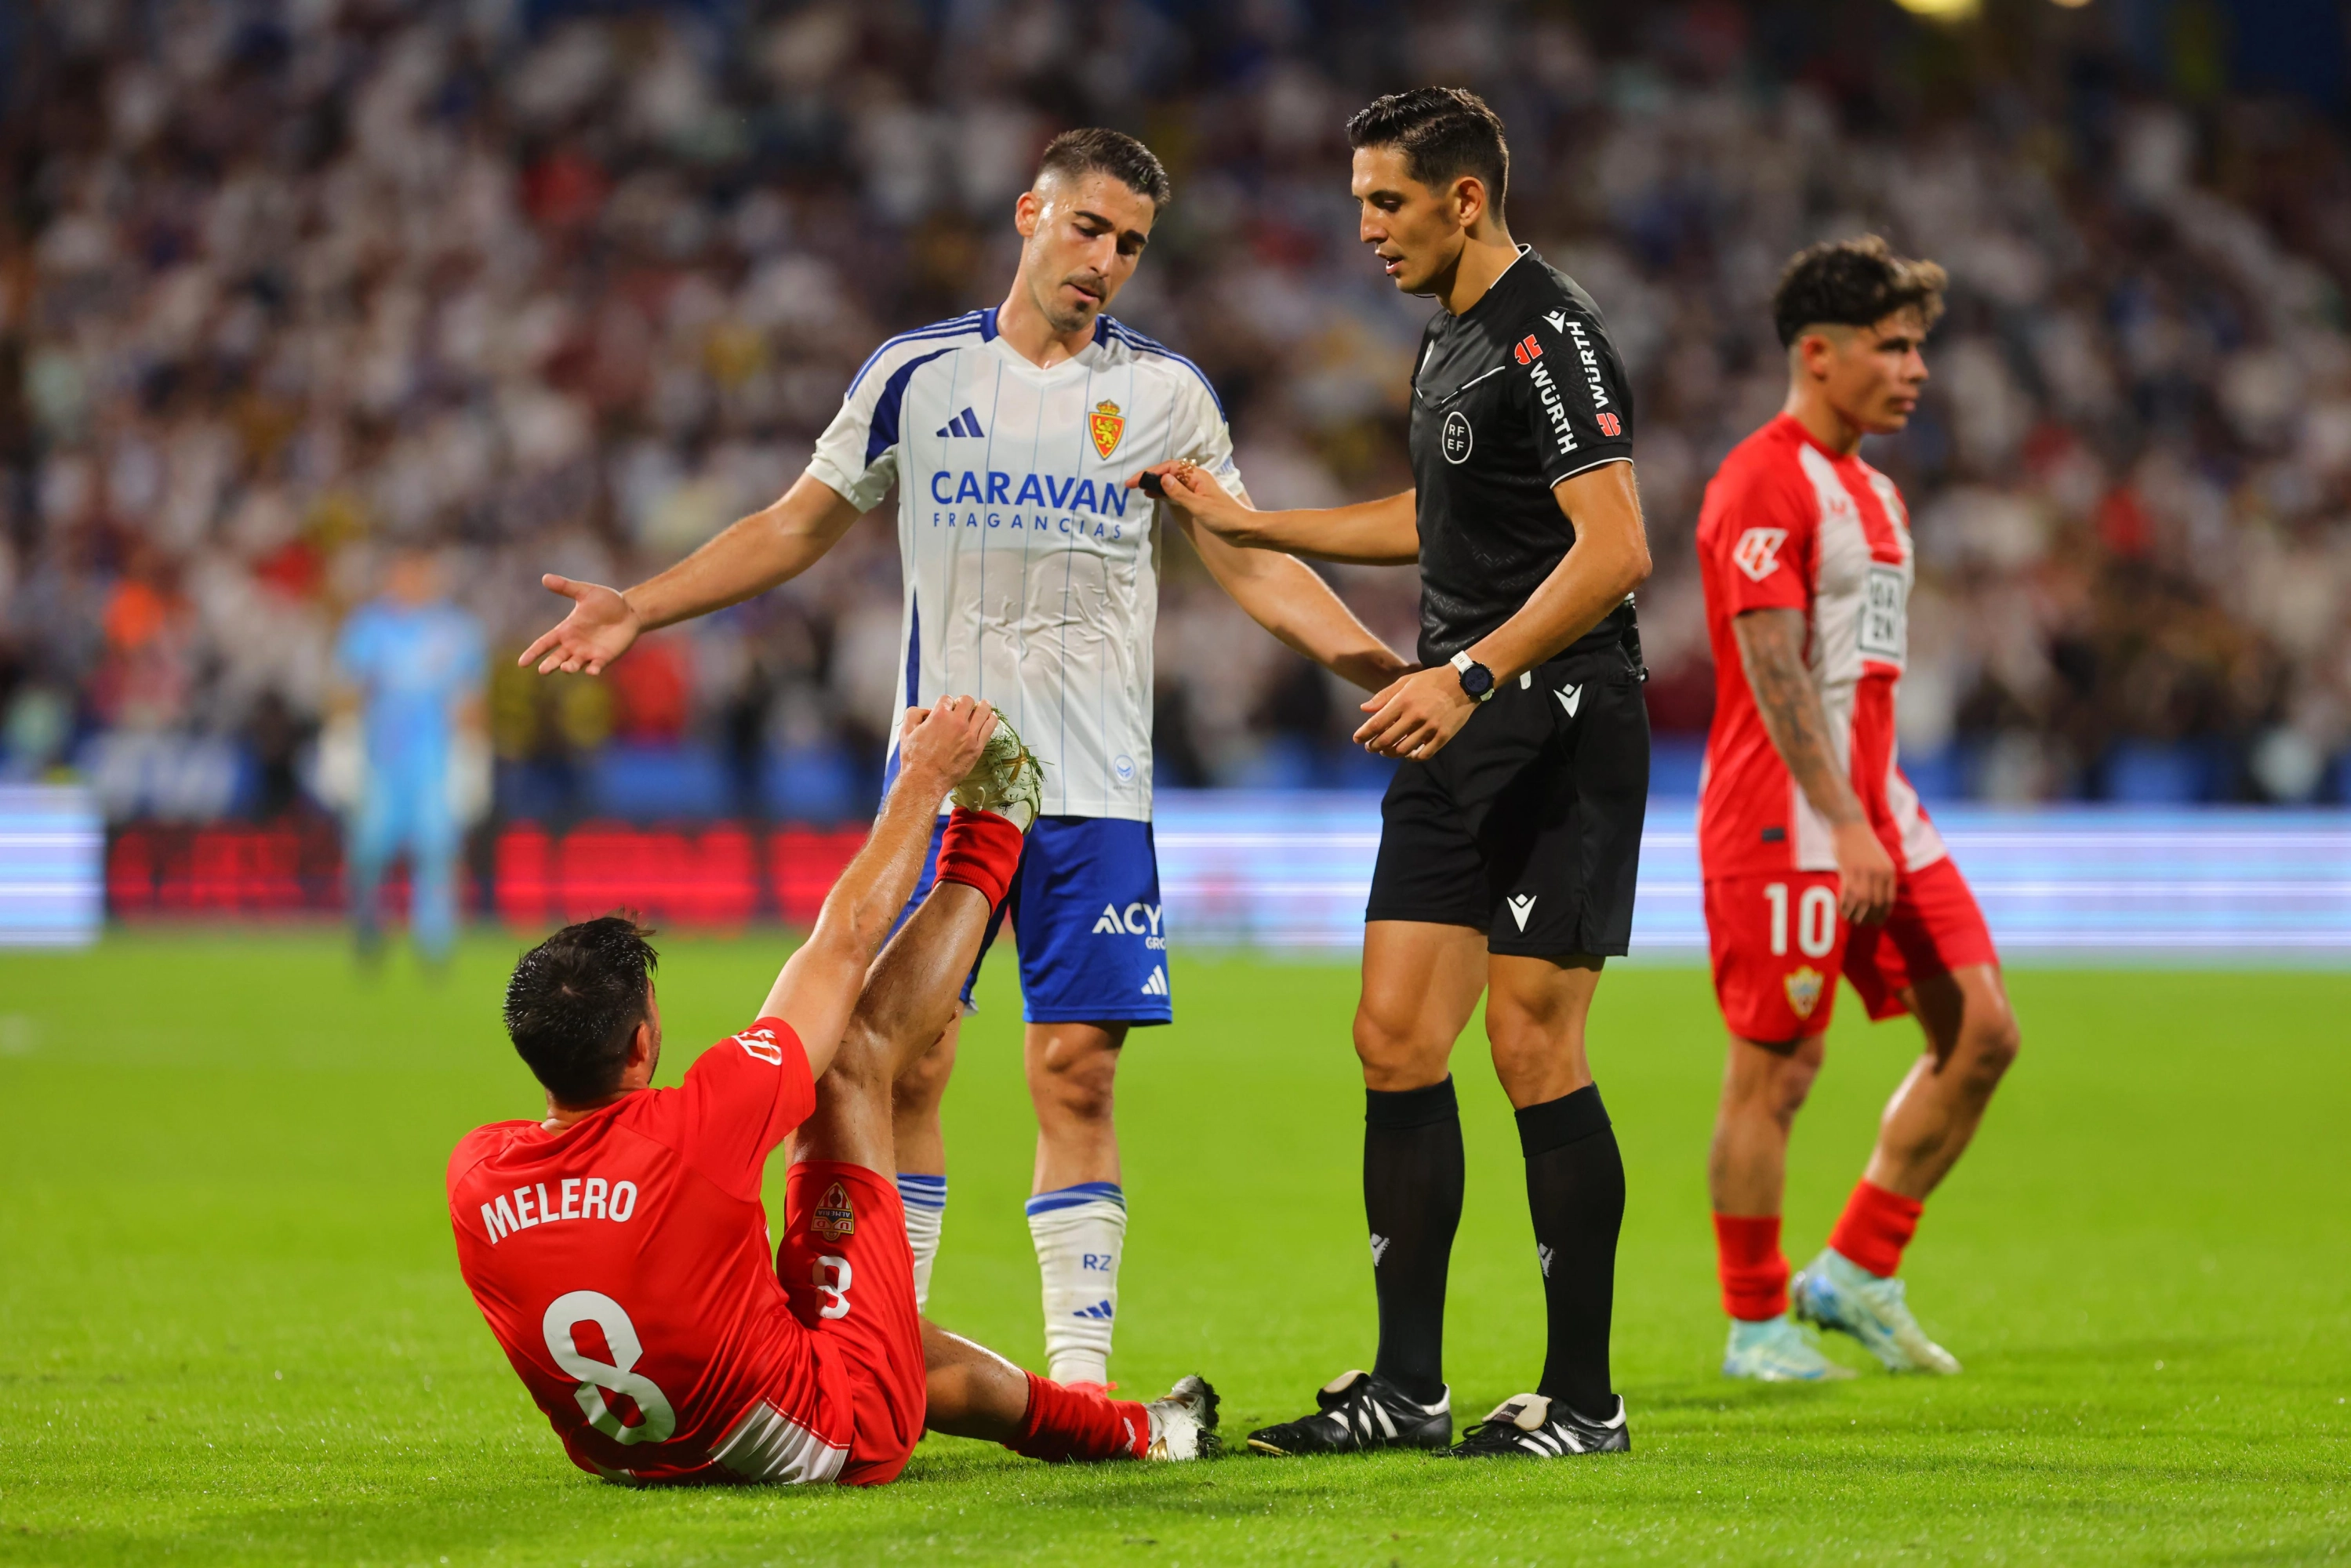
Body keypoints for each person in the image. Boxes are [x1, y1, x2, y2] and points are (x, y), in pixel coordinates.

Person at [518, 129, 1405, 1391]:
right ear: (1029, 214)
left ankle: (1080, 1384)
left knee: (1077, 1075)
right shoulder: (916, 375)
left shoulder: (1165, 397)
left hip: (1096, 792)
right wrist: (640, 607)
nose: (1105, 259)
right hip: (945, 785)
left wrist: (1387, 670)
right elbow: (796, 524)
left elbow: (1254, 566)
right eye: (1089, 227)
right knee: (904, 1060)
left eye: (1131, 244)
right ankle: (892, 1351)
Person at [1143, 87, 1651, 1460]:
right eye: (1359, 200)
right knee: (1393, 1039)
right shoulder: (1449, 335)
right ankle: (1407, 1389)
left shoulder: (1550, 331)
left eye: (1386, 201)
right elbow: (1438, 518)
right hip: (1458, 718)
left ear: (1463, 199)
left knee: (1531, 1046)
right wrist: (1253, 526)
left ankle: (1584, 1401)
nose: (1364, 227)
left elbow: (1615, 549)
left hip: (1552, 718)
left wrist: (1467, 674)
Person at [447, 696, 1219, 1485]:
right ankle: (1000, 820)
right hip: (829, 1436)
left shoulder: (474, 1174)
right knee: (848, 1058)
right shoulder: (691, 1128)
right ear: (642, 1043)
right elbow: (843, 944)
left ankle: (1143, 1430)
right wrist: (928, 784)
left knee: (870, 1330)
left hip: (630, 1457)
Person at [1693, 237, 2022, 1382]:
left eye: (1919, 347)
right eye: (1893, 346)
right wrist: (1837, 820)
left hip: (1878, 805)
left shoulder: (1876, 493)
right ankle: (1754, 1323)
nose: (1916, 369)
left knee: (1980, 1032)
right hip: (1785, 814)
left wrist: (1867, 813)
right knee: (1776, 1071)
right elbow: (1770, 662)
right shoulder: (1760, 479)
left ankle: (1854, 1271)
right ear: (1818, 354)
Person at [330, 546, 486, 964]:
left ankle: (434, 943)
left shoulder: (456, 631)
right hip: (379, 762)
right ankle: (368, 927)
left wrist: (472, 758)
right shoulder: (369, 627)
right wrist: (342, 745)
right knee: (368, 850)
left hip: (434, 764)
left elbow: (469, 698)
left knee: (437, 851)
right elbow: (347, 688)